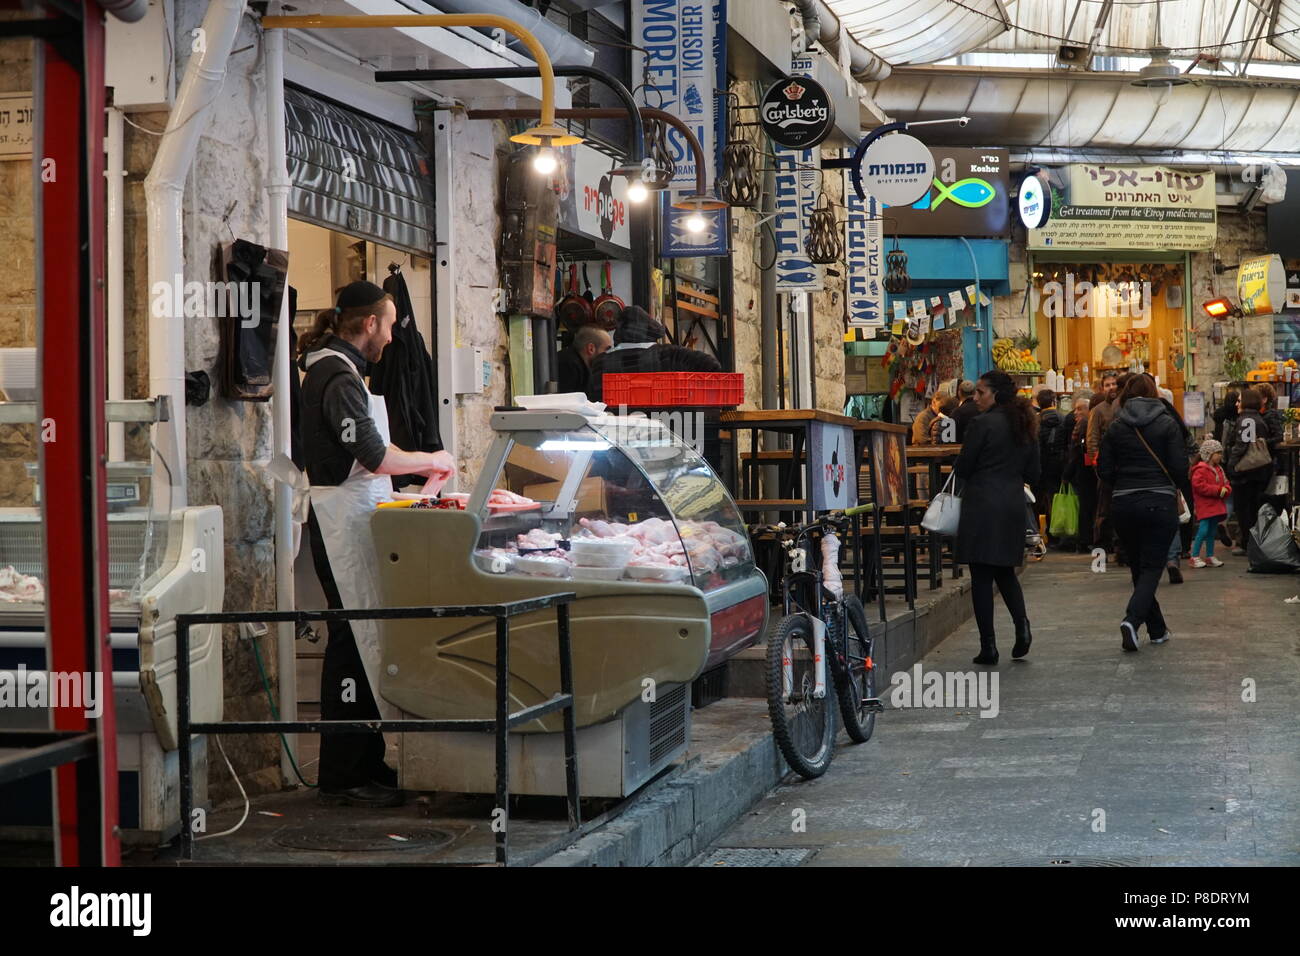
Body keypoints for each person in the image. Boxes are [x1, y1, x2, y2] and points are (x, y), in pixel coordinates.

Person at [298, 281, 456, 808]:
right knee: (349, 639)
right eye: (388, 325)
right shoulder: (335, 375)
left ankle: (366, 761)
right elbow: (371, 452)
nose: (391, 337)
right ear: (368, 324)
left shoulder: (343, 372)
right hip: (339, 520)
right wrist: (429, 461)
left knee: (364, 636)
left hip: (354, 514)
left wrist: (412, 477)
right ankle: (342, 774)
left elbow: (372, 455)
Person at [1097, 374, 1190, 652]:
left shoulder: (1116, 426)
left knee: (1139, 567)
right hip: (1159, 501)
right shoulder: (1167, 423)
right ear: (1154, 393)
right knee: (1151, 568)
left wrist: (1123, 483)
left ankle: (1158, 629)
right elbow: (1179, 467)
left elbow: (1103, 470)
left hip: (1124, 503)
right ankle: (1132, 619)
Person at [953, 370, 1041, 665]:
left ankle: (988, 645)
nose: (975, 397)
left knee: (981, 576)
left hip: (982, 504)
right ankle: (1022, 627)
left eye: (980, 392)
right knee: (1005, 572)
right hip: (1012, 503)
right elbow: (1034, 472)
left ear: (996, 394)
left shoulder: (982, 424)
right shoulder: (1024, 424)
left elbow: (964, 467)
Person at [586, 305, 721, 402]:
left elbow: (592, 400)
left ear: (619, 332)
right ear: (651, 332)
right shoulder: (670, 354)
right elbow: (713, 367)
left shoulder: (600, 363)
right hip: (671, 429)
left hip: (616, 434)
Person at [1226, 386, 1275, 552]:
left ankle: (1247, 543)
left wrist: (1232, 465)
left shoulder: (1246, 420)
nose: (1236, 404)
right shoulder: (1259, 419)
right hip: (1260, 471)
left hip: (1245, 471)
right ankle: (1253, 543)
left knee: (1243, 509)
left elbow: (1241, 445)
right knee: (1254, 507)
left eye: (1239, 400)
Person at [1088, 372, 1125, 562]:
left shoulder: (1124, 407)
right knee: (1103, 510)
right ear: (1102, 388)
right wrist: (1097, 463)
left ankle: (1120, 550)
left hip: (1122, 466)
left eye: (1114, 384)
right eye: (1107, 385)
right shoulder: (1098, 410)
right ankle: (1100, 554)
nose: (1111, 388)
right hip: (1105, 466)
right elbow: (1092, 439)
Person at [1034, 388, 1069, 546]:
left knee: (1036, 500)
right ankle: (1055, 533)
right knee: (1056, 498)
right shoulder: (1064, 419)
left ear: (1038, 403)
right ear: (1054, 402)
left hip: (1039, 464)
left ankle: (1035, 534)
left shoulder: (1035, 420)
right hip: (1058, 463)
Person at [1062, 389, 1095, 552]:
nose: (1075, 412)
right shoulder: (1081, 424)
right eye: (1075, 408)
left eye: (1080, 408)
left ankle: (1085, 539)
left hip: (1086, 473)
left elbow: (1075, 453)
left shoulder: (1085, 425)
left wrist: (1066, 474)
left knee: (1086, 507)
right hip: (1085, 472)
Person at [1189, 439, 1231, 568]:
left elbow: (1226, 484)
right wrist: (1218, 490)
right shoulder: (1200, 469)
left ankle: (1209, 555)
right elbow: (1199, 486)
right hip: (1205, 505)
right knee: (1203, 530)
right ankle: (1194, 556)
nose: (1219, 456)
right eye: (1217, 453)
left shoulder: (1219, 469)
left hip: (1216, 505)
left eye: (1220, 453)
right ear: (1209, 454)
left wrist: (1226, 490)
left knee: (1212, 531)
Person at [556, 324, 612, 396]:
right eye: (606, 349)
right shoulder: (568, 366)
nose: (608, 354)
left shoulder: (580, 365)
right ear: (591, 349)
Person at [1257, 383, 1287, 512]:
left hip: (1272, 462)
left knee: (1270, 497)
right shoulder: (1260, 415)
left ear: (1264, 399)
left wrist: (1263, 442)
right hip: (1265, 460)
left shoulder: (1270, 415)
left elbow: (1279, 436)